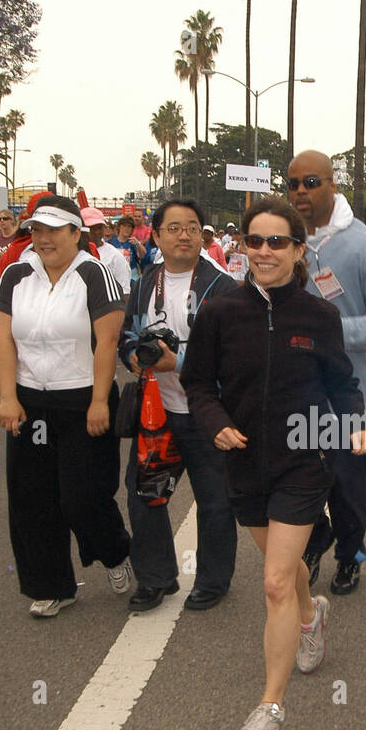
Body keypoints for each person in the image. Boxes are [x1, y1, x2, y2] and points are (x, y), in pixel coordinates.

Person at [182, 195, 366, 730]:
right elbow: (196, 384)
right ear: (242, 246)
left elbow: (343, 386)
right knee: (284, 577)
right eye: (255, 241)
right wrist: (214, 422)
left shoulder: (320, 315)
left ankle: (269, 709)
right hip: (243, 465)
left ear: (297, 248)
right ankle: (311, 616)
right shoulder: (219, 313)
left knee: (272, 582)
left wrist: (356, 427)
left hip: (303, 462)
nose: (264, 252)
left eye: (277, 242)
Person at [0, 195, 132, 618]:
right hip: (31, 402)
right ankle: (52, 584)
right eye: (37, 230)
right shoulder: (15, 274)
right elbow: (3, 339)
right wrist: (8, 397)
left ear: (76, 233)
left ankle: (115, 553)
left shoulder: (94, 274)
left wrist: (98, 401)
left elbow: (106, 342)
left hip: (83, 400)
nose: (44, 238)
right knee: (33, 498)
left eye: (54, 230)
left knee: (82, 497)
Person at [288, 149, 366, 593]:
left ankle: (350, 553)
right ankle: (316, 537)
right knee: (295, 477)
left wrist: (329, 332)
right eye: (294, 183)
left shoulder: (365, 247)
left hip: (350, 395)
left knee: (348, 488)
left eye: (311, 182)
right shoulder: (282, 241)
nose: (301, 191)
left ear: (332, 184)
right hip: (293, 391)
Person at [119, 198, 239, 612]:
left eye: (191, 227)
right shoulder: (143, 282)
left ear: (203, 236)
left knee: (215, 501)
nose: (183, 234)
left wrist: (181, 363)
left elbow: (236, 356)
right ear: (155, 236)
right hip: (158, 413)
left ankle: (213, 579)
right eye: (173, 228)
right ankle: (155, 578)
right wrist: (134, 354)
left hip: (207, 415)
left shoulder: (223, 286)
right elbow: (127, 335)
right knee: (144, 493)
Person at [82, 207, 131, 297]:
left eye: (100, 227)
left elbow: (125, 293)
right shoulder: (70, 254)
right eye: (91, 228)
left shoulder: (114, 256)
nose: (97, 231)